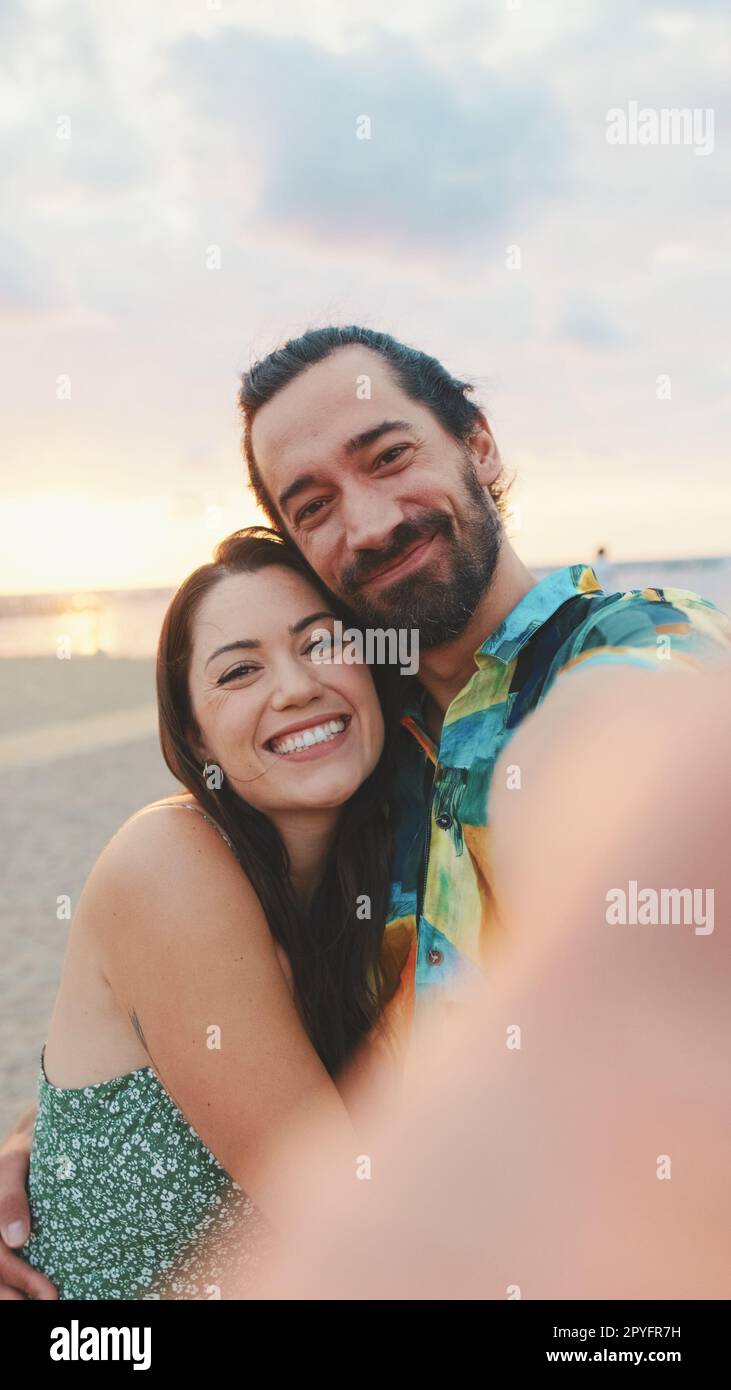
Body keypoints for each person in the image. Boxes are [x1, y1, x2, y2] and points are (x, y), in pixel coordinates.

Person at [2, 325, 729, 1298]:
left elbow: (619, 758)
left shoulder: (621, 653)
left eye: (388, 456)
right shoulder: (369, 753)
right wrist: (52, 1142)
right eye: (314, 507)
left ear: (477, 444)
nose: (372, 520)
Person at [6, 527, 404, 1299]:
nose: (292, 687)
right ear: (195, 734)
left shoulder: (398, 867)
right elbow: (349, 1220)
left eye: (320, 643)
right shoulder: (168, 862)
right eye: (240, 670)